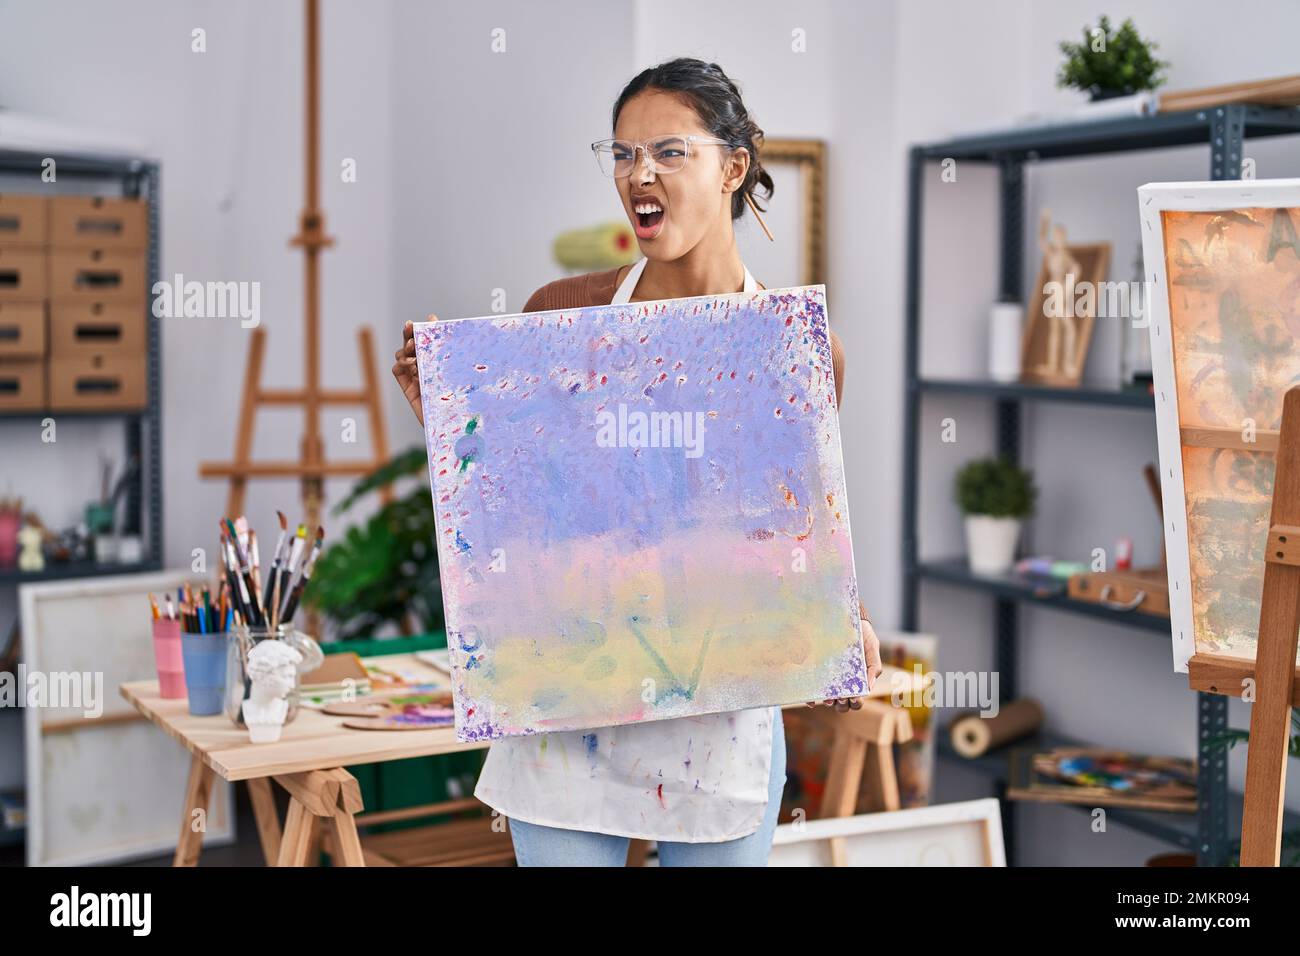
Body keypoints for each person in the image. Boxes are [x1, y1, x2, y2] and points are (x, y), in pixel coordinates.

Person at [393, 57, 883, 866]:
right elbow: (525, 534)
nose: (638, 174)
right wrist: (454, 430)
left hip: (718, 725)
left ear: (733, 165)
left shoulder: (795, 352)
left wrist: (838, 622)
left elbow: (790, 539)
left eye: (667, 151)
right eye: (622, 154)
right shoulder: (562, 315)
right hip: (566, 713)